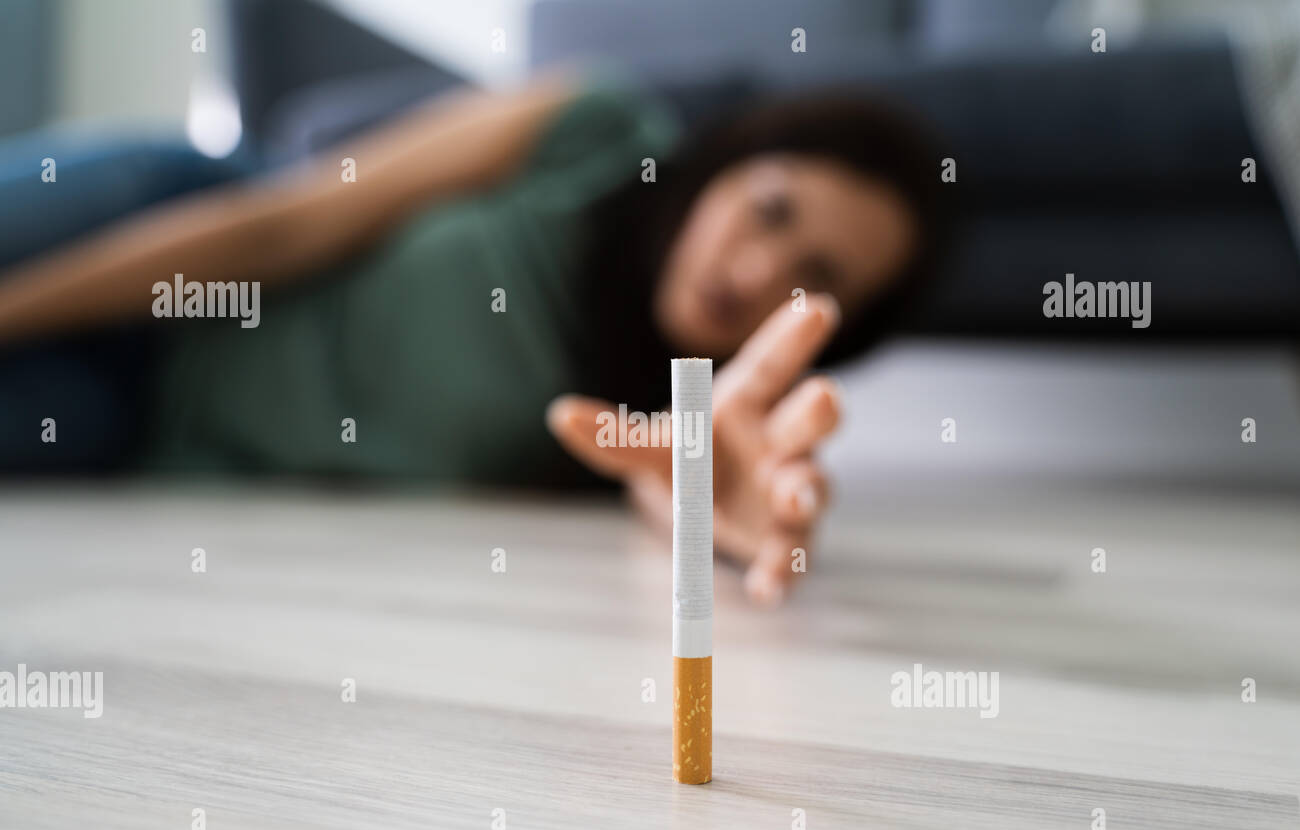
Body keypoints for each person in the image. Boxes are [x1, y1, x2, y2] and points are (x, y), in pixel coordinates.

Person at [0, 70, 945, 603]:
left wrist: (715, 517)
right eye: (768, 210)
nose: (752, 275)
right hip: (163, 237)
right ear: (724, 167)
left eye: (818, 280)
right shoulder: (597, 137)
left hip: (142, 427)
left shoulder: (690, 409)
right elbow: (281, 223)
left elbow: (659, 482)